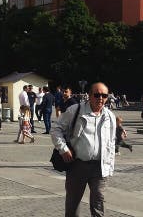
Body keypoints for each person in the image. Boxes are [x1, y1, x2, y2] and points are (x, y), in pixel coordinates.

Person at [51, 81, 116, 217]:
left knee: (99, 203)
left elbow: (111, 142)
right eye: (97, 95)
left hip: (100, 167)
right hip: (77, 164)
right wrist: (63, 149)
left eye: (104, 95)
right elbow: (56, 129)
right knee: (73, 203)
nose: (100, 98)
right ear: (89, 95)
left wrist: (109, 167)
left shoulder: (109, 116)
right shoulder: (75, 110)